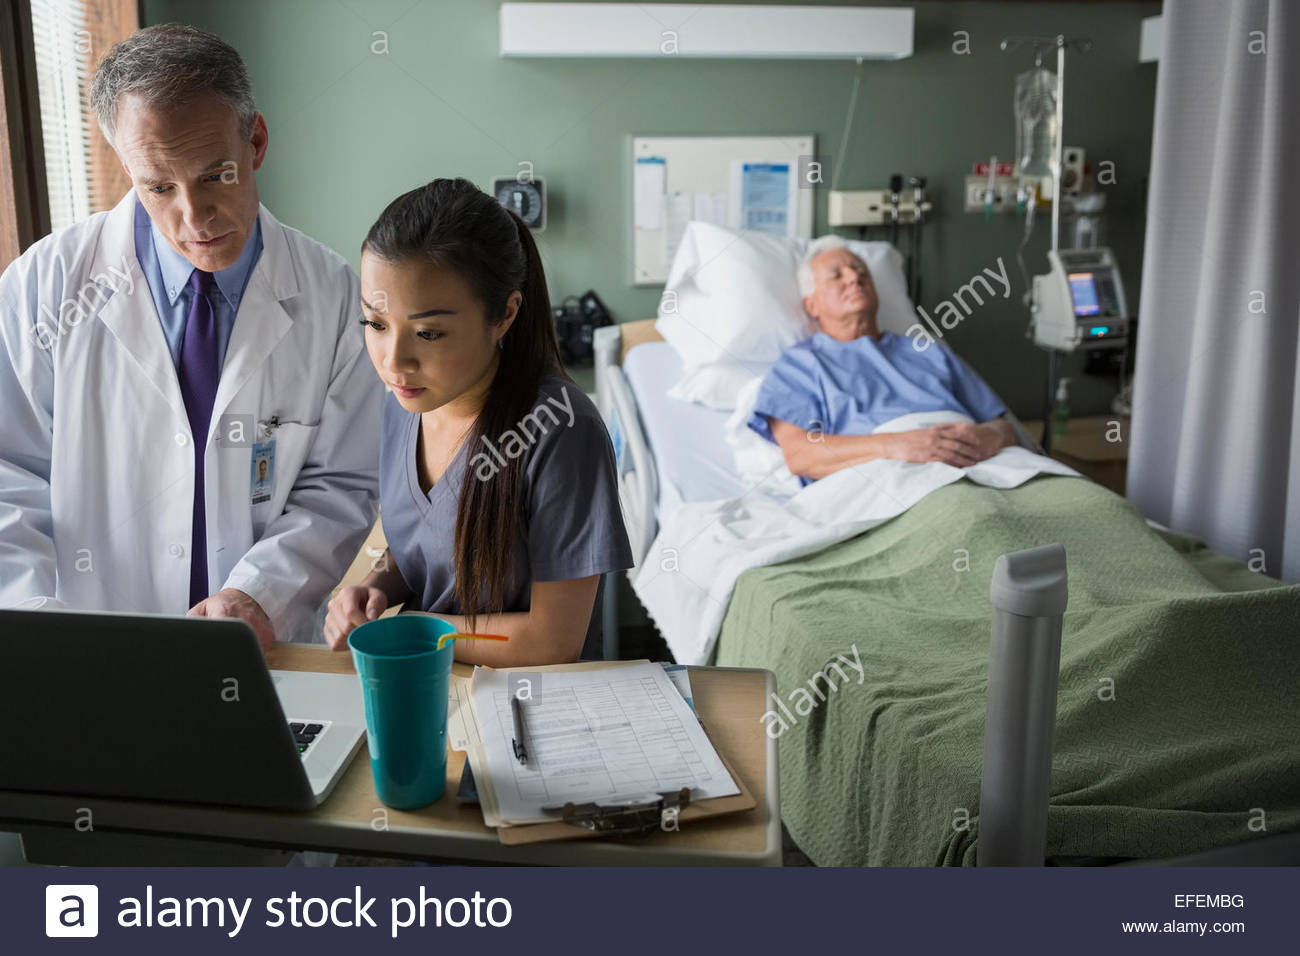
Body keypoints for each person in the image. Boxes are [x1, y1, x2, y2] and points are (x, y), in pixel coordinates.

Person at [0, 25, 382, 646]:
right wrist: (42, 625)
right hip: (88, 652)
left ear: (254, 140)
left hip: (266, 654)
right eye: (158, 186)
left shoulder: (333, 295)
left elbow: (340, 484)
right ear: (127, 168)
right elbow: (7, 474)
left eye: (214, 175)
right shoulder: (44, 288)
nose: (194, 216)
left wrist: (258, 593)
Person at [323, 179, 633, 666]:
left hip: (528, 707)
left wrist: (415, 629)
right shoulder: (404, 408)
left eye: (428, 333)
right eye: (376, 324)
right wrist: (374, 586)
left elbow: (552, 641)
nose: (394, 361)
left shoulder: (561, 432)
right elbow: (425, 548)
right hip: (428, 683)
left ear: (506, 314)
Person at [751, 237, 1016, 483]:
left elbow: (1004, 426)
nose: (855, 277)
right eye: (836, 276)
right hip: (892, 475)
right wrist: (896, 445)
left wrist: (989, 436)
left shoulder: (928, 350)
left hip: (982, 463)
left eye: (861, 271)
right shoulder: (799, 366)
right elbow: (801, 455)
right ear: (812, 305)